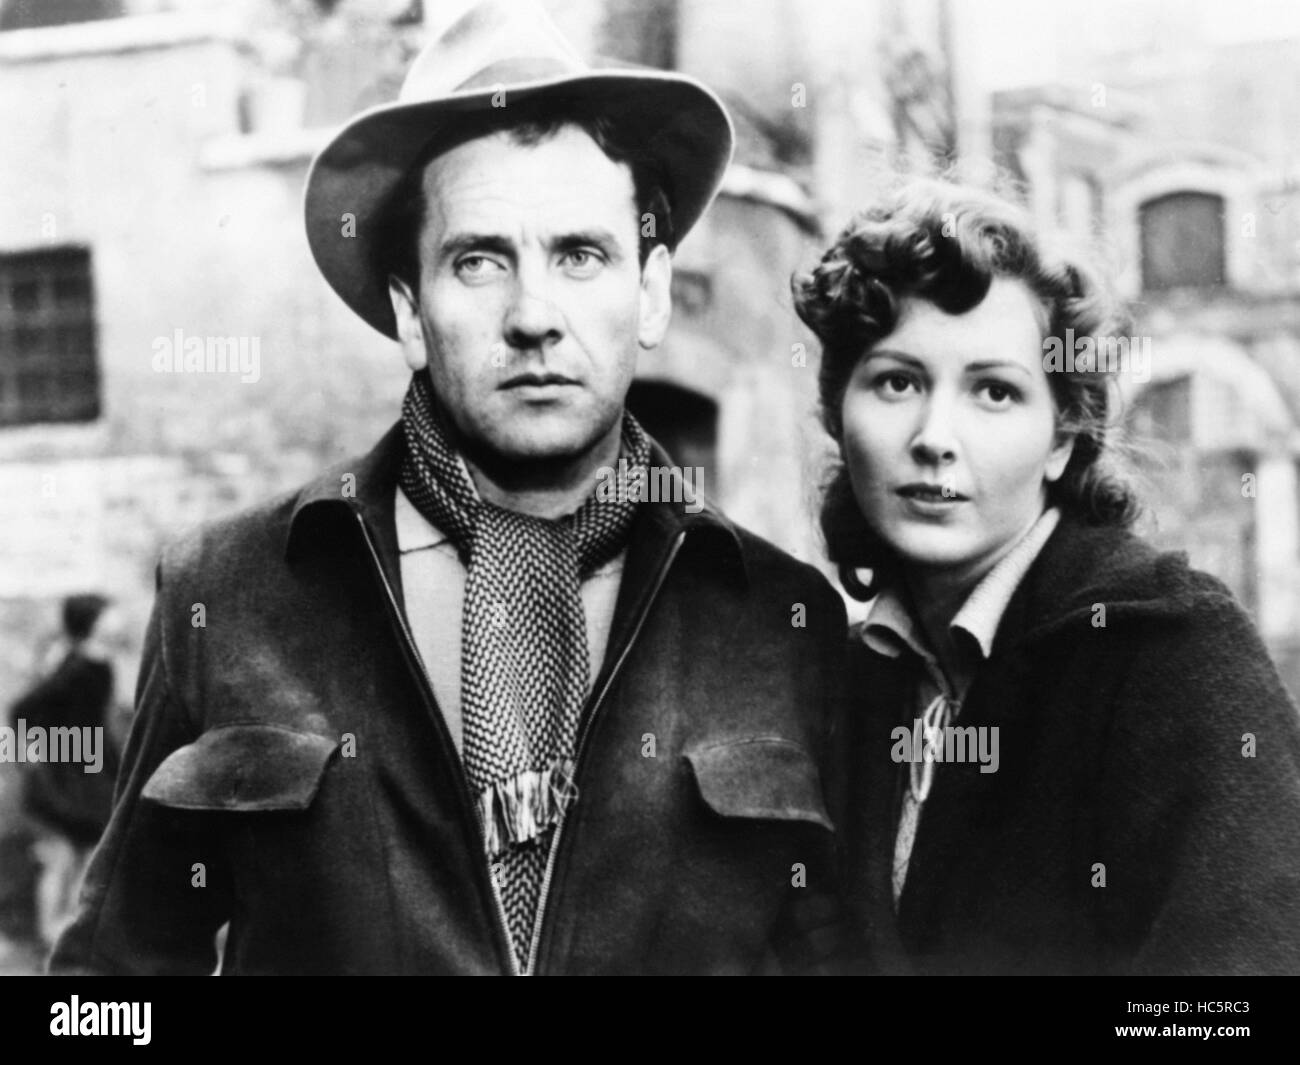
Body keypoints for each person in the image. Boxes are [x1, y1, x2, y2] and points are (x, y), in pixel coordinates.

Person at [52, 0, 847, 975]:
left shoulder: (777, 623)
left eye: (580, 255)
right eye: (478, 261)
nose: (533, 316)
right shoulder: (235, 590)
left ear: (648, 294)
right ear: (412, 314)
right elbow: (103, 989)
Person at [793, 176, 1300, 975]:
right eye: (898, 381)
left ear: (1062, 437)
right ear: (836, 410)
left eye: (995, 391)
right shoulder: (854, 679)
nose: (935, 437)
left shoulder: (1167, 651)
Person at [9, 594, 125, 953]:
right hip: (67, 770)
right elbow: (23, 709)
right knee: (61, 853)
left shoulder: (97, 662)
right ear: (93, 622)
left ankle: (70, 930)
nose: (116, 620)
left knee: (87, 851)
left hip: (89, 768)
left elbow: (95, 721)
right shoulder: (77, 666)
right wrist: (34, 753)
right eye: (108, 615)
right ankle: (51, 933)